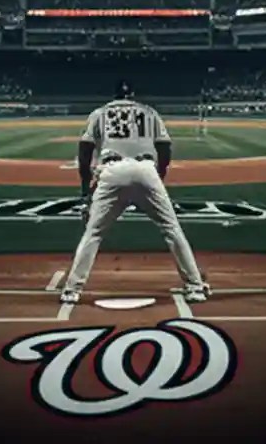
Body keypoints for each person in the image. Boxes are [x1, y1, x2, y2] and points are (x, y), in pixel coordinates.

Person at [59, 80, 209, 305]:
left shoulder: (100, 113)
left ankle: (72, 290)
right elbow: (165, 148)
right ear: (133, 95)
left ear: (114, 95)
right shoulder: (148, 112)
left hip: (111, 171)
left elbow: (85, 151)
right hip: (145, 168)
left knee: (94, 233)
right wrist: (158, 174)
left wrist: (85, 191)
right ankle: (195, 286)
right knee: (171, 228)